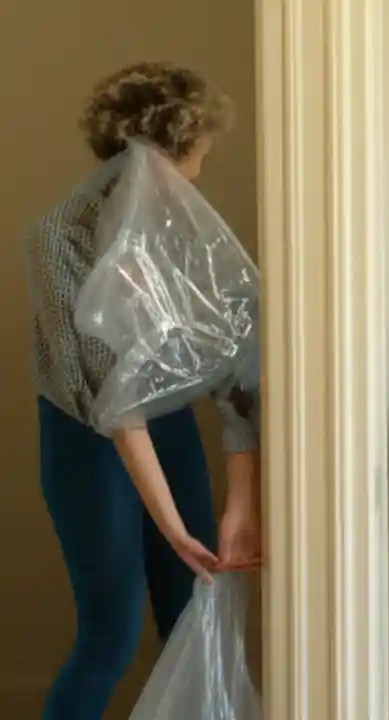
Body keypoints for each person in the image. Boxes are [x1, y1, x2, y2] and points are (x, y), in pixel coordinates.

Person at [23, 62, 261, 719]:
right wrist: (173, 526)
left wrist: (241, 504)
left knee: (191, 612)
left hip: (168, 428)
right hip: (87, 442)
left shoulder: (188, 238)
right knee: (112, 634)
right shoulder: (58, 240)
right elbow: (112, 400)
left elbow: (240, 372)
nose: (200, 174)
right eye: (198, 157)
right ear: (166, 153)